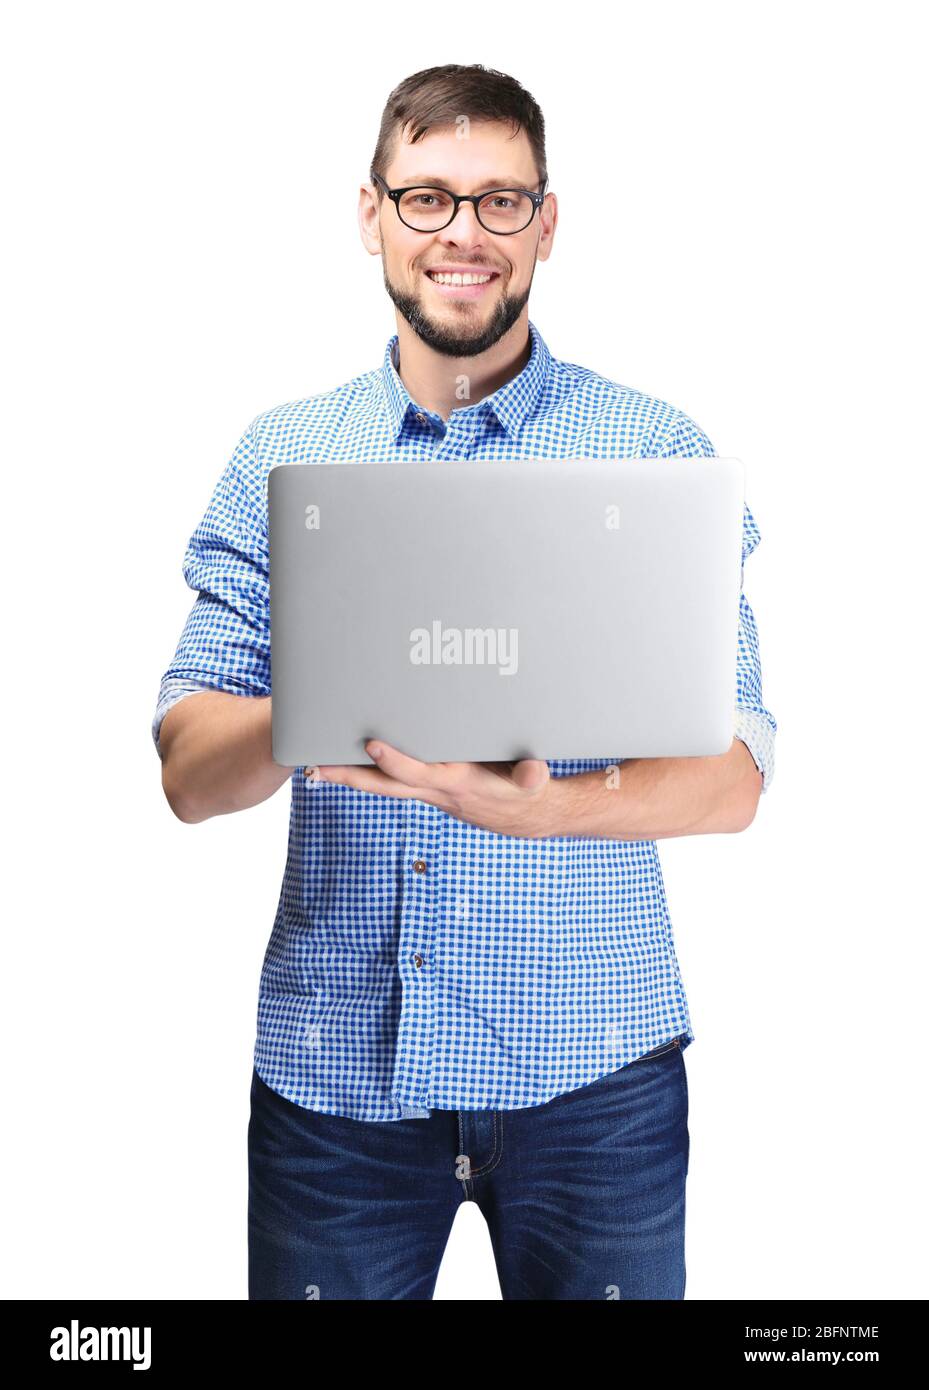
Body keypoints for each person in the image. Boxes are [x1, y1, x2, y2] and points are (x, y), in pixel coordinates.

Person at [153, 63, 776, 1300]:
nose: (462, 235)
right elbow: (185, 768)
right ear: (372, 213)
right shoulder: (282, 454)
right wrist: (318, 701)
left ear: (547, 223)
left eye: (498, 202)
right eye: (428, 197)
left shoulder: (649, 453)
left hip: (594, 1079)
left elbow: (734, 772)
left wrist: (549, 809)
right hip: (335, 1088)